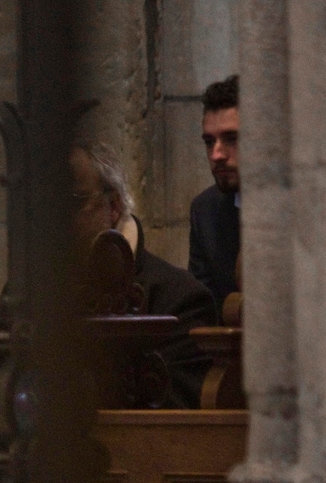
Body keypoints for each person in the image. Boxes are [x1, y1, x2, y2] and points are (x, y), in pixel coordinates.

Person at [71, 144, 217, 407]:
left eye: (72, 203)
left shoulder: (181, 301)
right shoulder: (22, 293)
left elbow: (174, 430)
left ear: (113, 206)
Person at [187, 75, 241, 306]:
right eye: (209, 142)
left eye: (232, 138)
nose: (217, 155)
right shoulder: (205, 211)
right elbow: (202, 307)